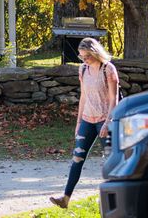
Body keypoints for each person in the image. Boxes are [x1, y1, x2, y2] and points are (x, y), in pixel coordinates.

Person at [49, 37, 120, 210]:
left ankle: (114, 202)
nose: (84, 59)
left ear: (95, 53)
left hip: (104, 119)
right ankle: (65, 198)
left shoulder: (108, 69)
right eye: (81, 56)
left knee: (111, 161)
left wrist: (108, 122)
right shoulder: (83, 69)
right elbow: (83, 97)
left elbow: (114, 99)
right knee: (77, 158)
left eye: (87, 56)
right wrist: (79, 121)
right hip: (87, 119)